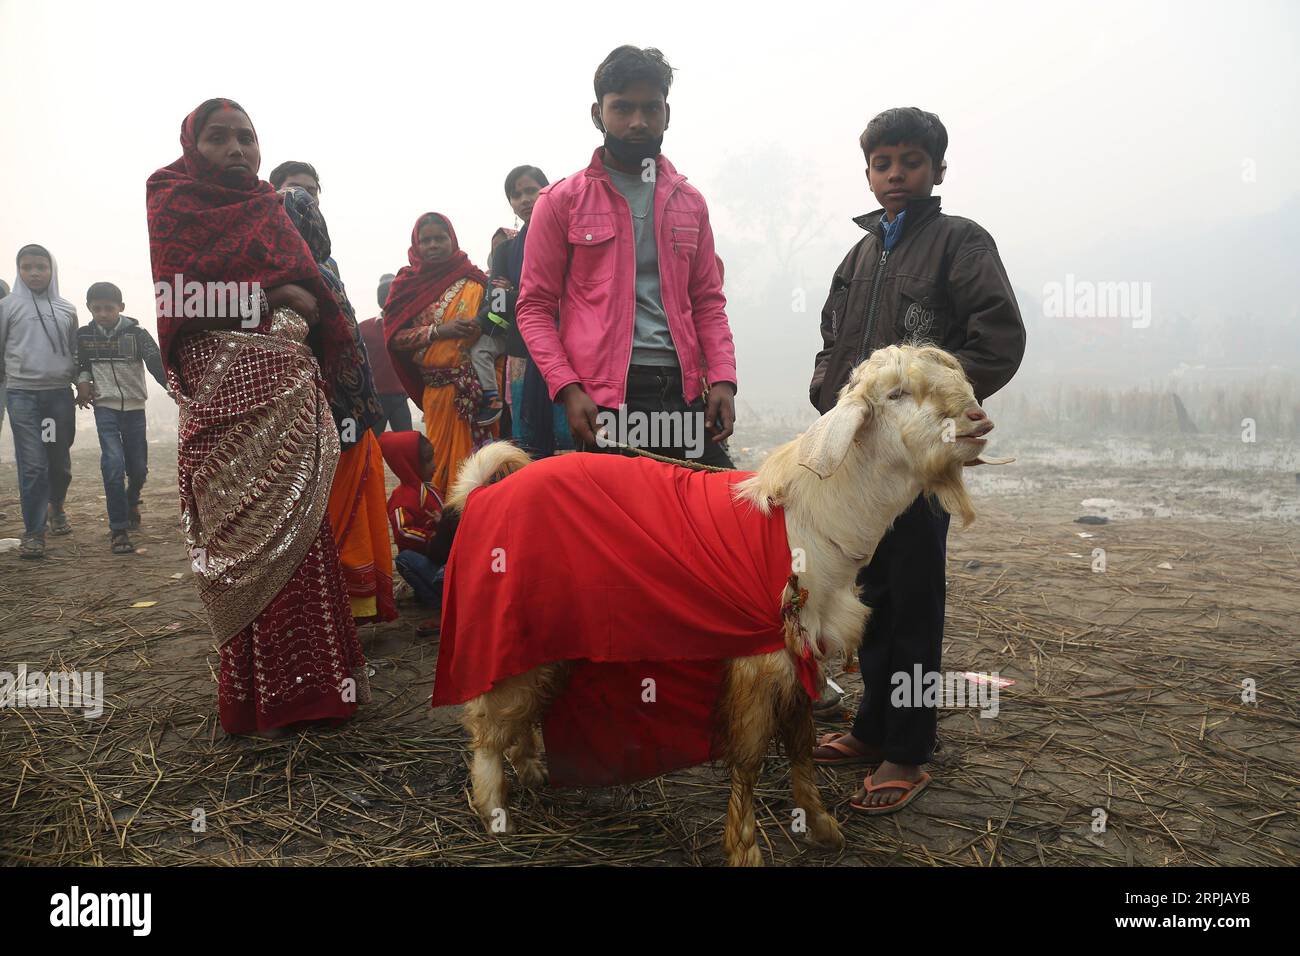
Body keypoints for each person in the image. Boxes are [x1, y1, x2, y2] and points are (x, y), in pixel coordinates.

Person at [808, 107, 1026, 813]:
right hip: (860, 465)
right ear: (868, 172)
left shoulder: (959, 242)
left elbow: (997, 334)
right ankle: (872, 729)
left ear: (937, 169)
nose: (895, 174)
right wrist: (827, 396)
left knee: (915, 598)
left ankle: (909, 749)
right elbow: (832, 337)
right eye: (882, 163)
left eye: (910, 161)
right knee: (868, 592)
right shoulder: (860, 256)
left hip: (920, 458)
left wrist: (947, 402)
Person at [146, 97, 371, 737]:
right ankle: (262, 697)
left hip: (287, 394)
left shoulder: (271, 209)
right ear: (194, 146)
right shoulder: (171, 200)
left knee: (300, 533)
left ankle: (321, 693)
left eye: (248, 138)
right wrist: (272, 296)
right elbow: (179, 298)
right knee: (241, 540)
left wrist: (289, 301)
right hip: (221, 400)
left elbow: (317, 298)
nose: (238, 150)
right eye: (221, 138)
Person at [516, 45, 737, 466]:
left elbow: (708, 300)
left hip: (684, 393)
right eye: (622, 108)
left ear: (667, 114)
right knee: (619, 526)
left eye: (650, 108)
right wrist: (568, 388)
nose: (638, 122)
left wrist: (723, 378)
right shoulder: (560, 202)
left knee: (705, 519)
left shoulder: (689, 202)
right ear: (597, 114)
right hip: (607, 401)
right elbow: (534, 308)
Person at [280, 185, 396, 625]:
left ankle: (347, 609)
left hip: (336, 414)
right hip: (339, 412)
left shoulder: (316, 274)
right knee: (340, 509)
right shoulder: (292, 279)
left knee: (338, 510)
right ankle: (348, 608)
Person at [383, 212, 495, 502]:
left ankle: (479, 523)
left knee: (481, 467)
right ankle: (449, 528)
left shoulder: (475, 279)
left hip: (477, 393)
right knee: (442, 467)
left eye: (440, 238)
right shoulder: (406, 284)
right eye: (426, 240)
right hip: (438, 395)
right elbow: (395, 338)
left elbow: (498, 323)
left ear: (452, 239)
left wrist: (481, 324)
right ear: (416, 245)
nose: (433, 245)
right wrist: (438, 331)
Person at [477, 166, 573, 457]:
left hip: (568, 348)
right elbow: (496, 308)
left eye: (531, 190)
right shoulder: (506, 251)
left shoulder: (570, 238)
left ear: (547, 191)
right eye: (515, 195)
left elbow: (578, 295)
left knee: (567, 430)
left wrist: (514, 293)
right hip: (521, 351)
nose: (524, 200)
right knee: (527, 433)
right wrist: (528, 297)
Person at [74, 281, 168, 554]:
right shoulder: (84, 336)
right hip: (105, 408)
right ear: (90, 309)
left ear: (121, 308)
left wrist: (171, 388)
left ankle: (132, 498)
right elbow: (82, 366)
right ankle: (119, 530)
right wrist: (81, 383)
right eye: (97, 309)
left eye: (108, 308)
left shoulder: (137, 334)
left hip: (135, 409)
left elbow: (155, 363)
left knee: (138, 468)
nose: (102, 313)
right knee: (113, 465)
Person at [0, 244, 79, 559]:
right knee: (32, 465)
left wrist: (82, 380)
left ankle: (56, 506)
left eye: (41, 267)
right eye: (27, 267)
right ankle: (34, 533)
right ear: (18, 270)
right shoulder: (7, 306)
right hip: (22, 395)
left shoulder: (66, 309)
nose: (34, 273)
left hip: (59, 396)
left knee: (58, 462)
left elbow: (75, 350)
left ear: (52, 269)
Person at [377, 430, 444, 637]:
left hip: (439, 555)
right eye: (428, 461)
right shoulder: (402, 497)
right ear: (410, 464)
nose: (434, 465)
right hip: (428, 553)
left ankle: (440, 593)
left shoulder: (429, 489)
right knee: (404, 560)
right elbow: (403, 531)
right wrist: (432, 535)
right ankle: (438, 604)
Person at [358, 274, 413, 434]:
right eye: (385, 295)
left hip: (400, 398)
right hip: (375, 399)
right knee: (372, 445)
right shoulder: (364, 329)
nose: (389, 299)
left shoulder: (408, 327)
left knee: (407, 443)